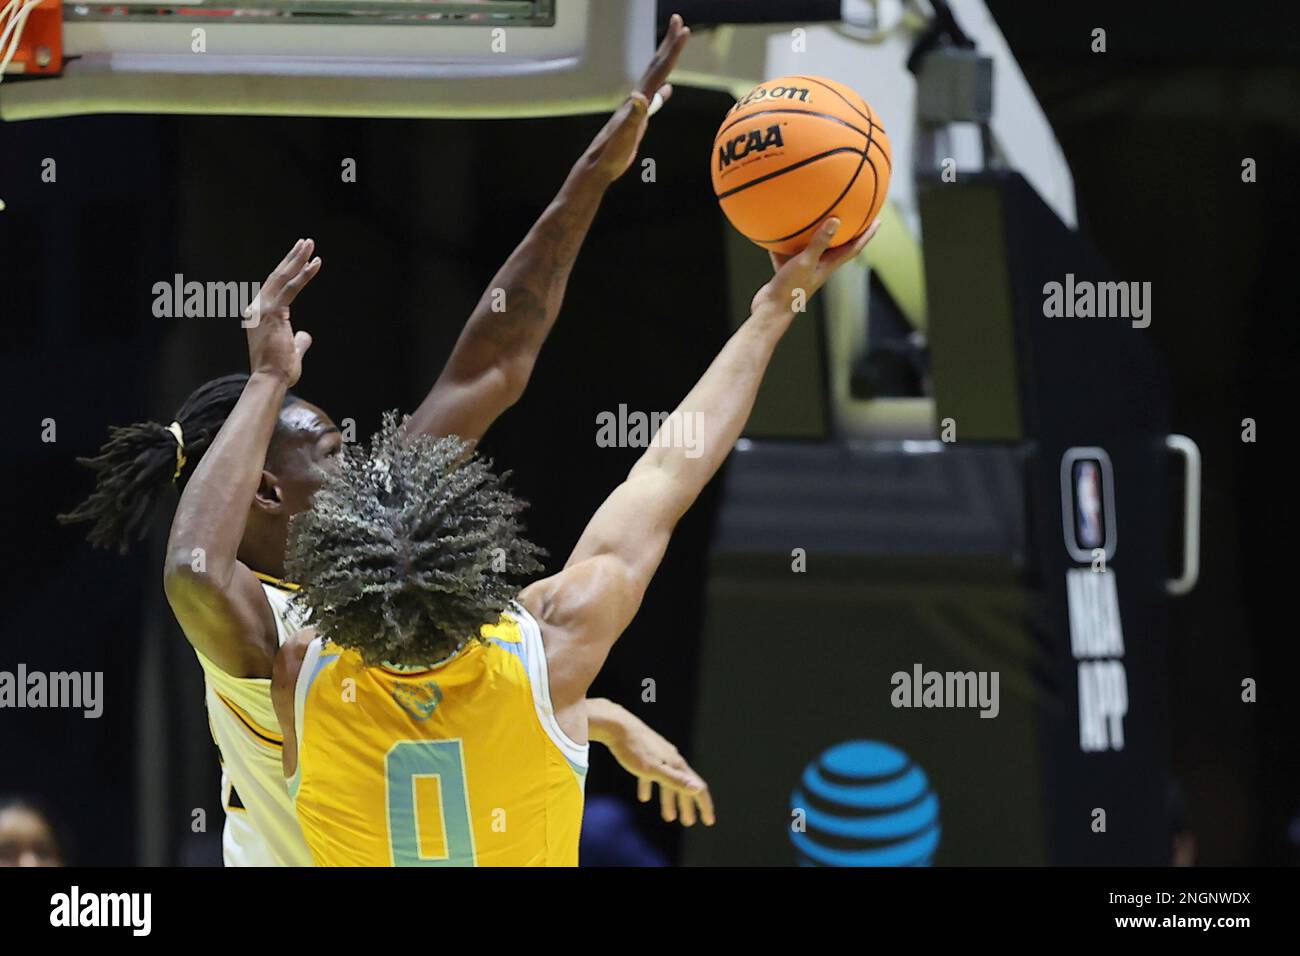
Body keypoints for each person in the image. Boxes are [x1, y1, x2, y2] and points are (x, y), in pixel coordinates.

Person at [60, 15, 707, 866]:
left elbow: (493, 363)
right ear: (262, 491)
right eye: (329, 453)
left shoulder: (378, 547)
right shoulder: (255, 628)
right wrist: (265, 382)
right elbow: (190, 567)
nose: (361, 463)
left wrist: (595, 172)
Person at [274, 216, 881, 865]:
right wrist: (770, 312)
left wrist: (599, 717)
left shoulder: (298, 669)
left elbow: (419, 736)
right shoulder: (550, 649)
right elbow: (666, 473)